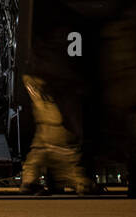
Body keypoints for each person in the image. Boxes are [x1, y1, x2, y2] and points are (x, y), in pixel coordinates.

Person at [21, 27, 95, 195]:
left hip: (41, 95)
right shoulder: (57, 55)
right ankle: (80, 183)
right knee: (59, 142)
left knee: (41, 145)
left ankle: (29, 180)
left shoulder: (38, 56)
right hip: (52, 102)